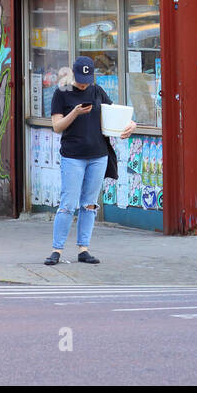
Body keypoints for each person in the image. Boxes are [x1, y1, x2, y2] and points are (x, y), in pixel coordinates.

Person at [45, 56, 134, 266]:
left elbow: (115, 115)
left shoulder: (97, 91)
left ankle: (83, 248)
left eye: (88, 78)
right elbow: (57, 126)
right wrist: (75, 112)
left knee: (89, 205)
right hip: (73, 156)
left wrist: (131, 125)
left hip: (98, 155)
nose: (84, 83)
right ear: (73, 75)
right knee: (68, 203)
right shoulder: (62, 93)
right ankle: (56, 249)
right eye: (81, 78)